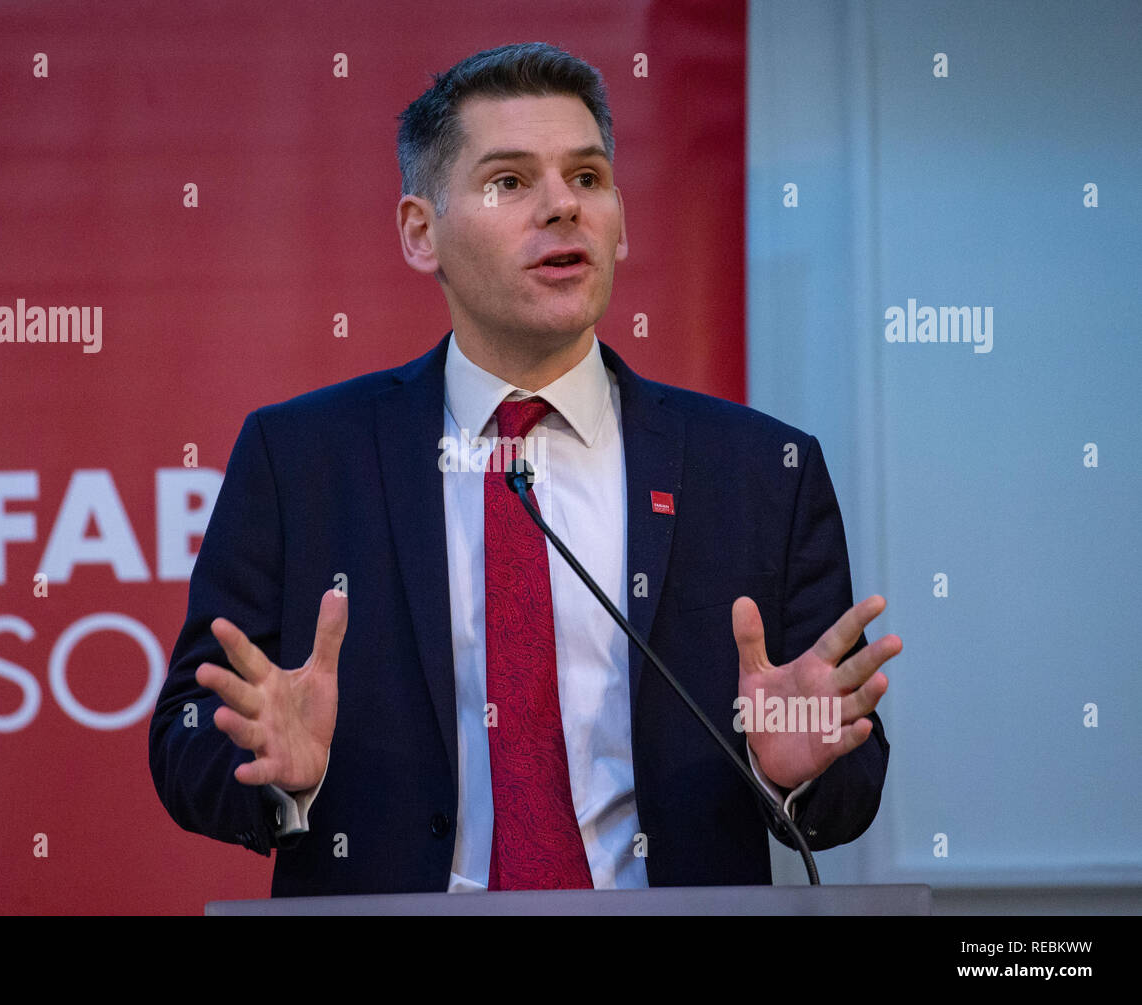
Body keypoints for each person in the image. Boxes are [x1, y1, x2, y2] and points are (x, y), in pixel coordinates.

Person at [148, 42, 898, 897]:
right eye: (509, 181)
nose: (562, 208)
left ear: (621, 219)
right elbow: (185, 737)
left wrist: (797, 763)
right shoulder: (302, 460)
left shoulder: (763, 470)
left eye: (587, 178)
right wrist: (272, 766)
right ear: (420, 232)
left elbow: (851, 776)